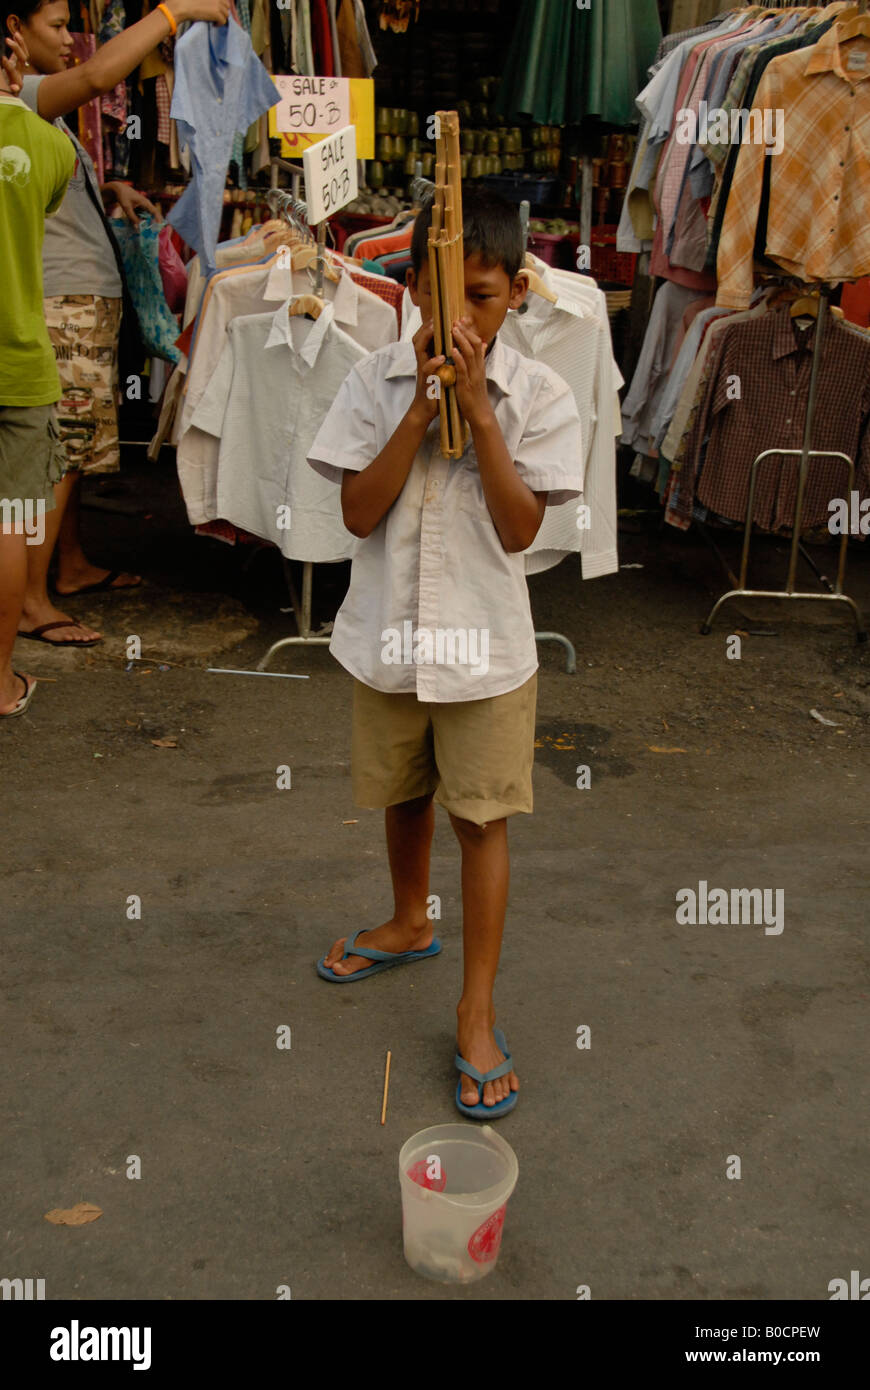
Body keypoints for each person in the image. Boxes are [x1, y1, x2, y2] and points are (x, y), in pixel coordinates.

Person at [307, 187, 584, 1115]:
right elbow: (354, 512)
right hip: (391, 630)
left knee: (482, 818)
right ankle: (408, 917)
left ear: (516, 294)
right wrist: (422, 414)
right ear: (410, 284)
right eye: (439, 291)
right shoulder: (374, 379)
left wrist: (482, 415)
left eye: (482, 295)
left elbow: (518, 531)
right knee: (402, 792)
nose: (457, 316)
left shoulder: (540, 394)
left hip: (488, 652)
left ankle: (475, 1007)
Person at [1, 0, 228, 647]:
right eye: (55, 27)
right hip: (61, 304)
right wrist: (175, 10)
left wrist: (107, 193)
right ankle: (31, 601)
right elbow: (102, 77)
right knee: (54, 459)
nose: (71, 40)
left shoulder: (37, 112)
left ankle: (64, 570)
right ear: (13, 32)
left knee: (69, 450)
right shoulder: (26, 96)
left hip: (79, 301)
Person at [0, 30, 74, 714]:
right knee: (12, 518)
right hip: (18, 360)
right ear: (11, 55)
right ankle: (0, 681)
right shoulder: (52, 146)